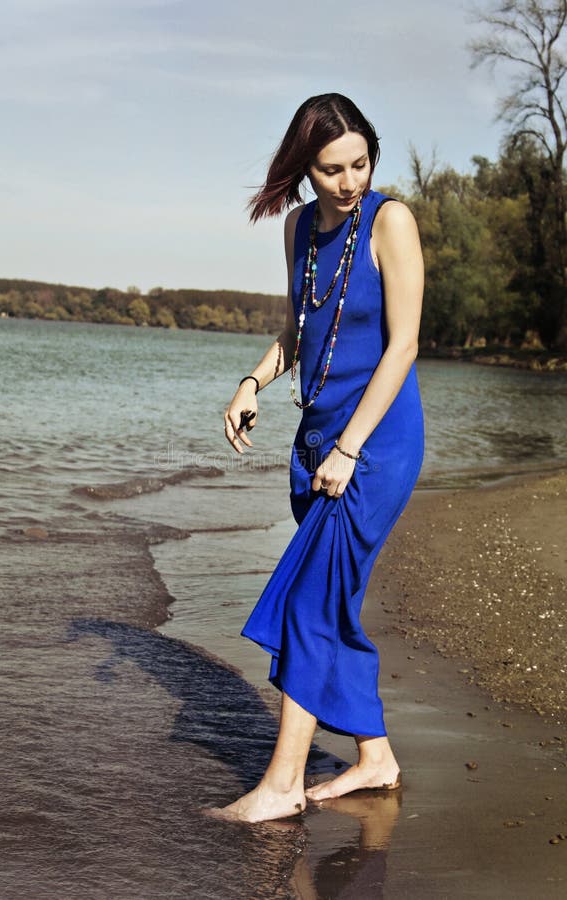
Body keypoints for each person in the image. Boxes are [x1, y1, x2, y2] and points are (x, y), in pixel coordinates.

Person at [220, 93, 424, 823]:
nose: (350, 181)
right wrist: (251, 382)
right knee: (332, 603)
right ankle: (375, 757)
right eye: (333, 169)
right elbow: (297, 333)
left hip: (373, 445)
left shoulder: (390, 221)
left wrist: (350, 446)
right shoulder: (302, 229)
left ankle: (281, 785)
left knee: (309, 601)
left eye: (361, 163)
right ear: (304, 169)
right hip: (317, 445)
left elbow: (403, 344)